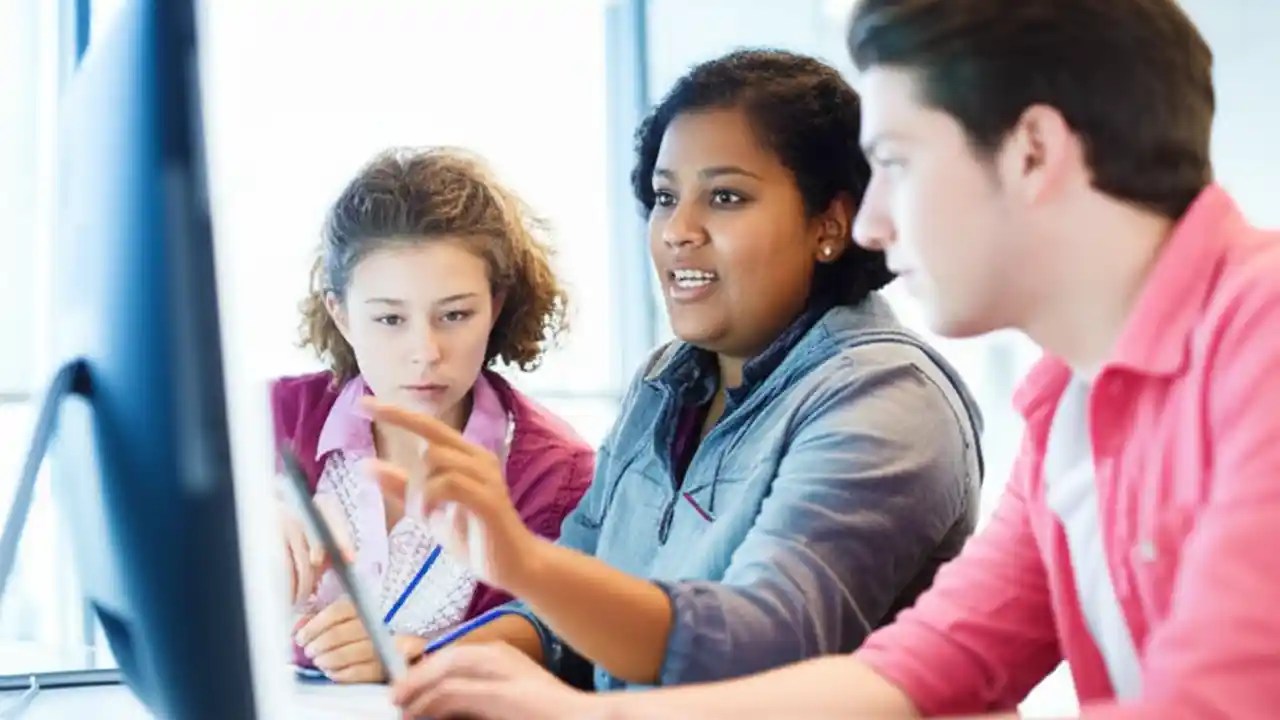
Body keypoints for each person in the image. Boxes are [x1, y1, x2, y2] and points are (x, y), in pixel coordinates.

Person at [379, 0, 1280, 718]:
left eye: (895, 161)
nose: (877, 223)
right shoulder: (1069, 406)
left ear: (1033, 152)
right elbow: (920, 670)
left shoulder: (1263, 338)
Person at [366, 47, 984, 704]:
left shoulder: (887, 397)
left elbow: (763, 644)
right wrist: (438, 662)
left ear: (829, 224)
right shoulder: (667, 381)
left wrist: (524, 561)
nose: (678, 231)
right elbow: (574, 601)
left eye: (726, 196)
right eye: (664, 197)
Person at [269, 147, 594, 683]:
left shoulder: (558, 476)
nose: (425, 350)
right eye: (390, 318)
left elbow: (558, 641)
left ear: (496, 305)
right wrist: (232, 524)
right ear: (342, 315)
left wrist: (416, 657)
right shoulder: (265, 423)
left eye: (455, 314)